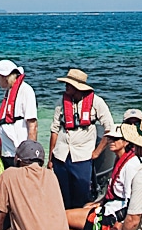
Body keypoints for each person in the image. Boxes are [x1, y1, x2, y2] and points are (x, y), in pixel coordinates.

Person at [49, 67, 115, 208]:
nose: (65, 86)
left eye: (69, 84)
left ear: (77, 87)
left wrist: (97, 152)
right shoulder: (61, 102)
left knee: (82, 195)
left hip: (82, 156)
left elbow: (110, 128)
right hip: (61, 156)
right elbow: (54, 130)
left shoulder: (97, 102)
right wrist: (50, 159)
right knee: (61, 196)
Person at [65, 126, 142, 230]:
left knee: (63, 216)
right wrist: (99, 203)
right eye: (110, 138)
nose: (111, 141)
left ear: (126, 141)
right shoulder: (120, 159)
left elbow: (131, 202)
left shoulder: (131, 165)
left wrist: (117, 227)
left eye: (116, 139)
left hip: (112, 215)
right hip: (108, 207)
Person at [0, 60, 38, 161]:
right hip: (8, 153)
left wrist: (30, 155)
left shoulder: (26, 90)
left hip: (20, 155)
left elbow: (32, 125)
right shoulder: (9, 92)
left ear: (5, 76)